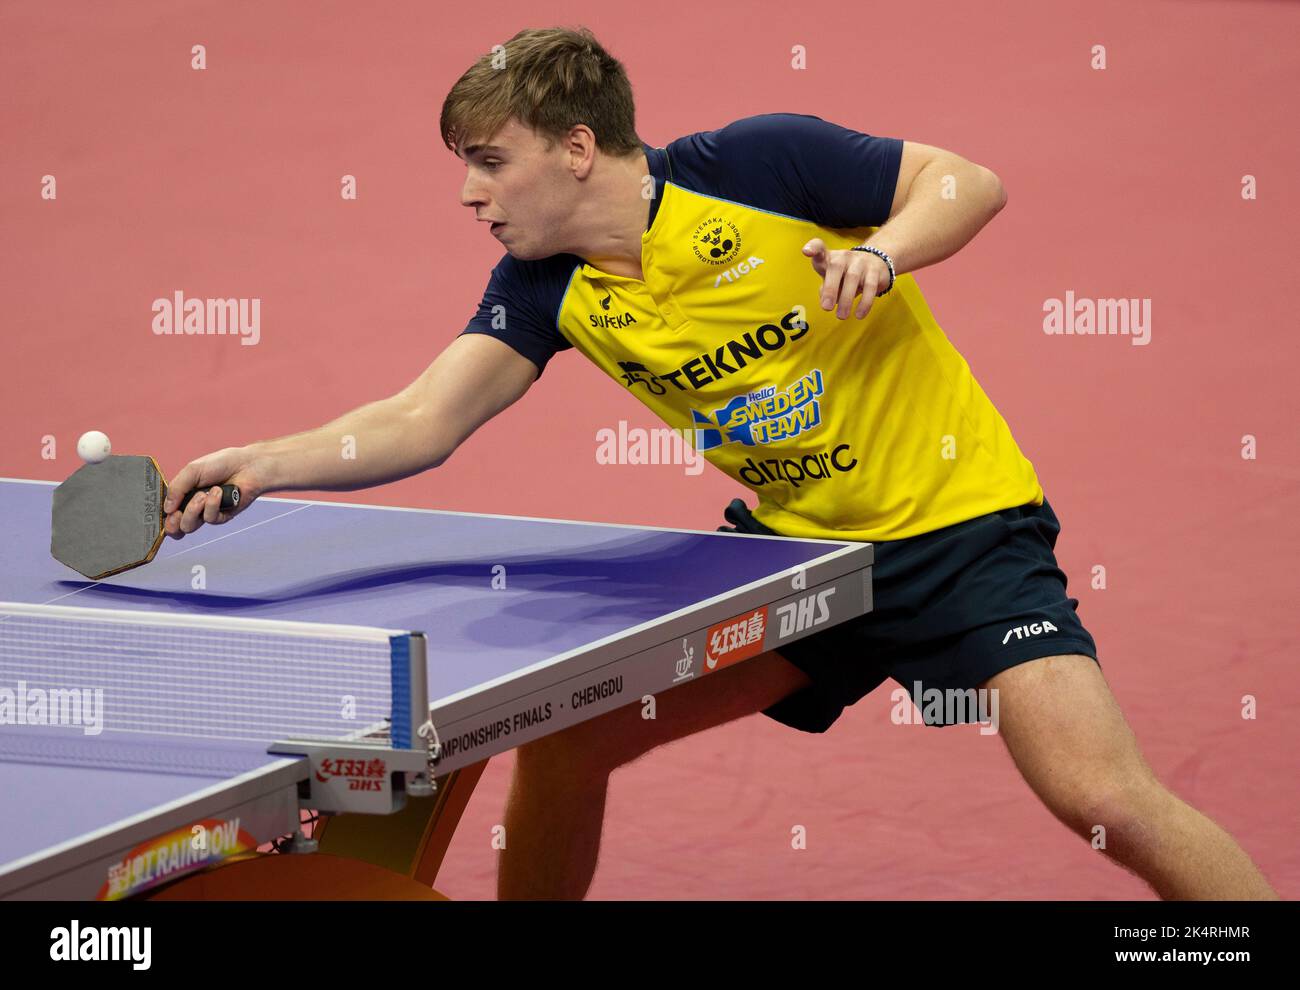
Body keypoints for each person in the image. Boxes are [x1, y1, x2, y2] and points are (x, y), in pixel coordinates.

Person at [164, 26, 1279, 901]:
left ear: (576, 146)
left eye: (491, 163)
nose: (471, 194)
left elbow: (967, 182)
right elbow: (422, 418)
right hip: (806, 566)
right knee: (564, 739)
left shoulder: (757, 164)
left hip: (963, 532)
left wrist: (882, 253)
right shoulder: (549, 286)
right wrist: (258, 464)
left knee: (1104, 800)